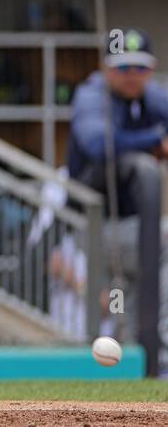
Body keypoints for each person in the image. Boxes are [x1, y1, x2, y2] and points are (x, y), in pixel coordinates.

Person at [67, 27, 166, 377]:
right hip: (92, 225)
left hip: (132, 227)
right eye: (123, 68)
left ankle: (138, 366)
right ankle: (163, 358)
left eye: (139, 68)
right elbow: (97, 144)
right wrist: (155, 140)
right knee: (165, 243)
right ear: (107, 68)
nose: (131, 76)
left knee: (137, 295)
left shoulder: (151, 98)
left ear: (151, 69)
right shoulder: (92, 95)